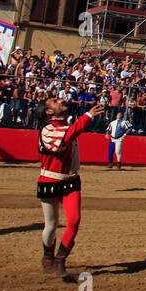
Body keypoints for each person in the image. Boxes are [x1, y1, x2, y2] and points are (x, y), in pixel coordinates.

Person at [37, 98, 106, 276]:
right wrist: (88, 115)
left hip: (66, 179)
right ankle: (48, 257)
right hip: (52, 180)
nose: (60, 100)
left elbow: (70, 133)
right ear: (49, 112)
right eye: (55, 101)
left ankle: (59, 260)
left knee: (73, 220)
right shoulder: (47, 129)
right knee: (51, 225)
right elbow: (68, 135)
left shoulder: (60, 126)